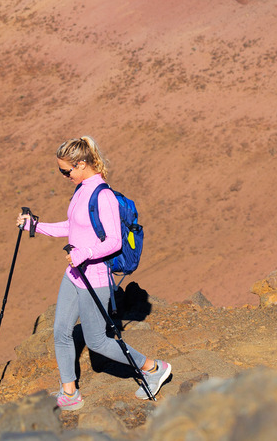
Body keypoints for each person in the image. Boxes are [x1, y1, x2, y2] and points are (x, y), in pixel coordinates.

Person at [18, 136, 172, 409]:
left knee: (97, 341)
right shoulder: (80, 190)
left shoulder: (104, 197)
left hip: (96, 278)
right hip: (74, 275)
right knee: (61, 331)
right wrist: (35, 225)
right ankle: (69, 393)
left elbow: (113, 242)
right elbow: (73, 226)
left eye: (66, 170)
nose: (64, 175)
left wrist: (83, 253)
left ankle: (154, 367)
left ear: (81, 164)